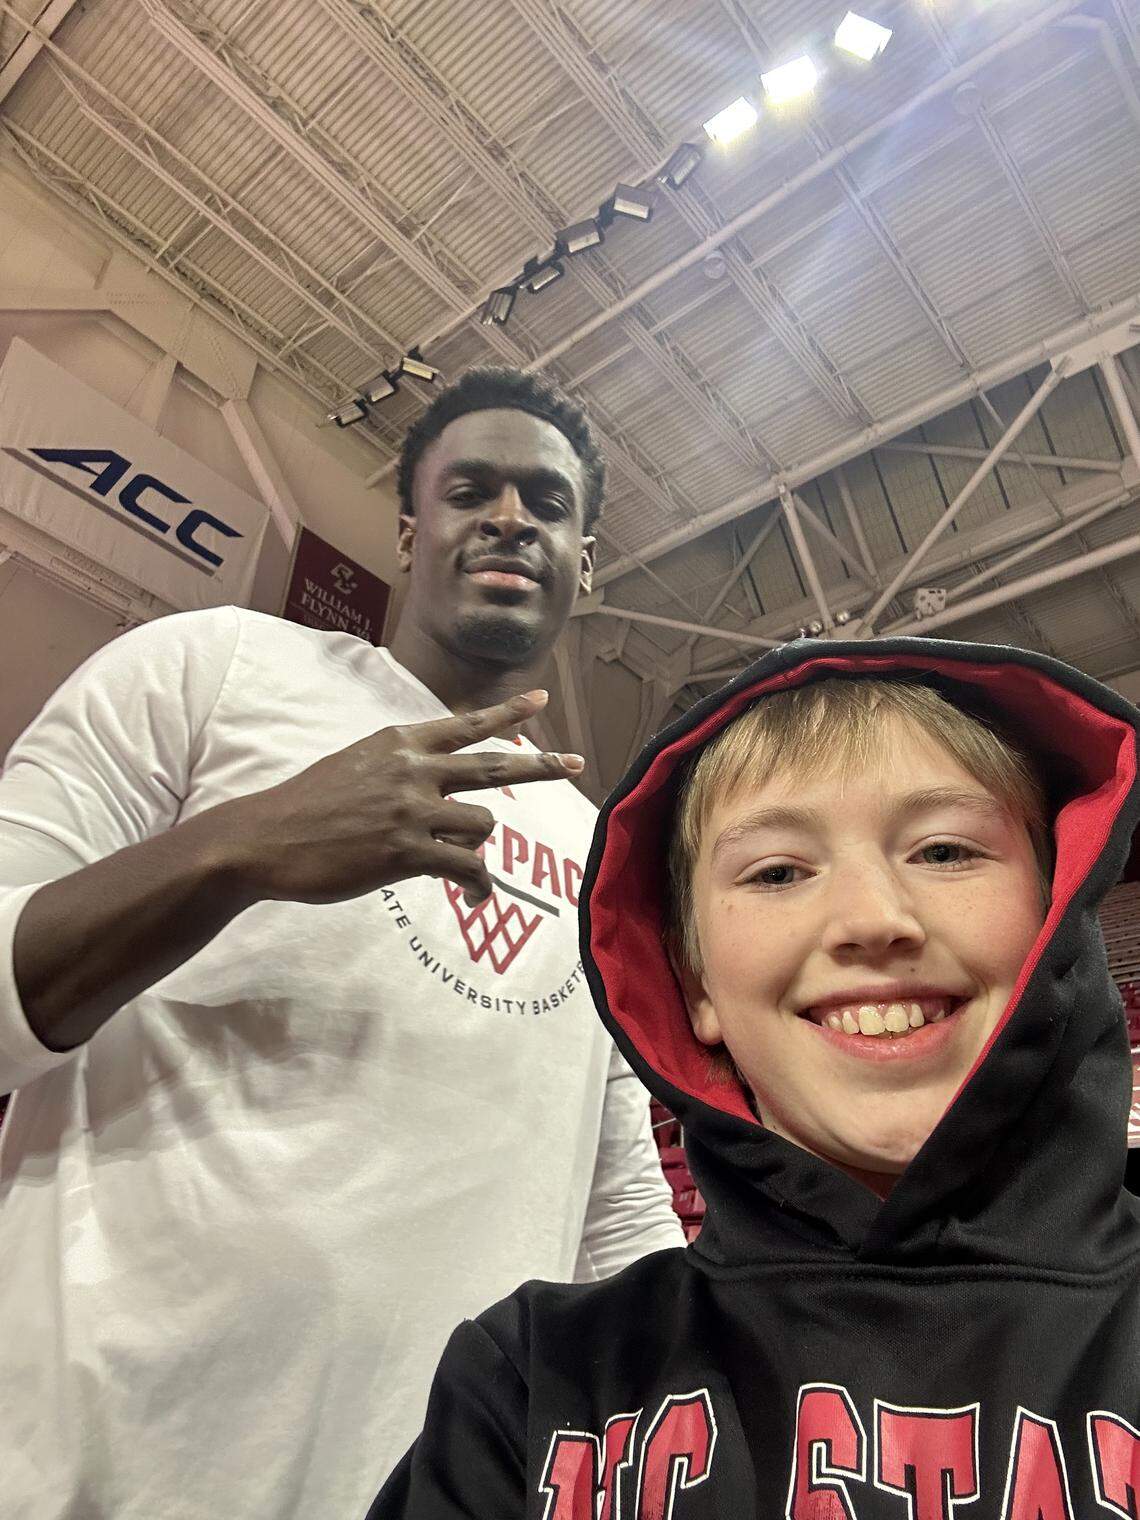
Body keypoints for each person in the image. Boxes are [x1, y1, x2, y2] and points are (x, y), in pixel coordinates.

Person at [0, 366, 682, 1520]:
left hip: (433, 1487)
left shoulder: (604, 857)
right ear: (412, 532)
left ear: (585, 561)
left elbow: (615, 1203)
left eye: (548, 503)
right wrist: (246, 844)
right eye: (473, 489)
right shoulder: (210, 667)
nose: (511, 516)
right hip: (94, 1462)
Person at [368, 634, 1140, 1518]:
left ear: (1055, 914)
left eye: (945, 851)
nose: (872, 919)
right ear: (695, 989)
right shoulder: (531, 1381)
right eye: (777, 871)